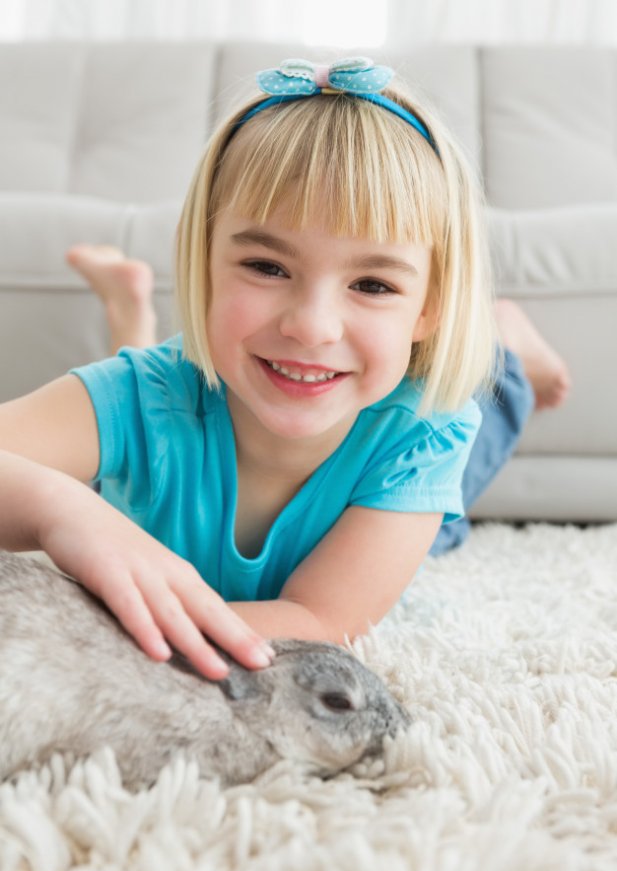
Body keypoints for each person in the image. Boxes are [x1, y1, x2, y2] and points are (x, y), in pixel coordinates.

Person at [0, 58, 570, 681]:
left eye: (373, 284)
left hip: (398, 462)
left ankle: (506, 342)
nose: (312, 325)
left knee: (460, 483)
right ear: (205, 260)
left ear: (429, 309)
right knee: (153, 384)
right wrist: (63, 507)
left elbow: (320, 621)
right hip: (178, 383)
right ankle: (127, 313)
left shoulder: (427, 432)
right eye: (268, 267)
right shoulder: (140, 395)